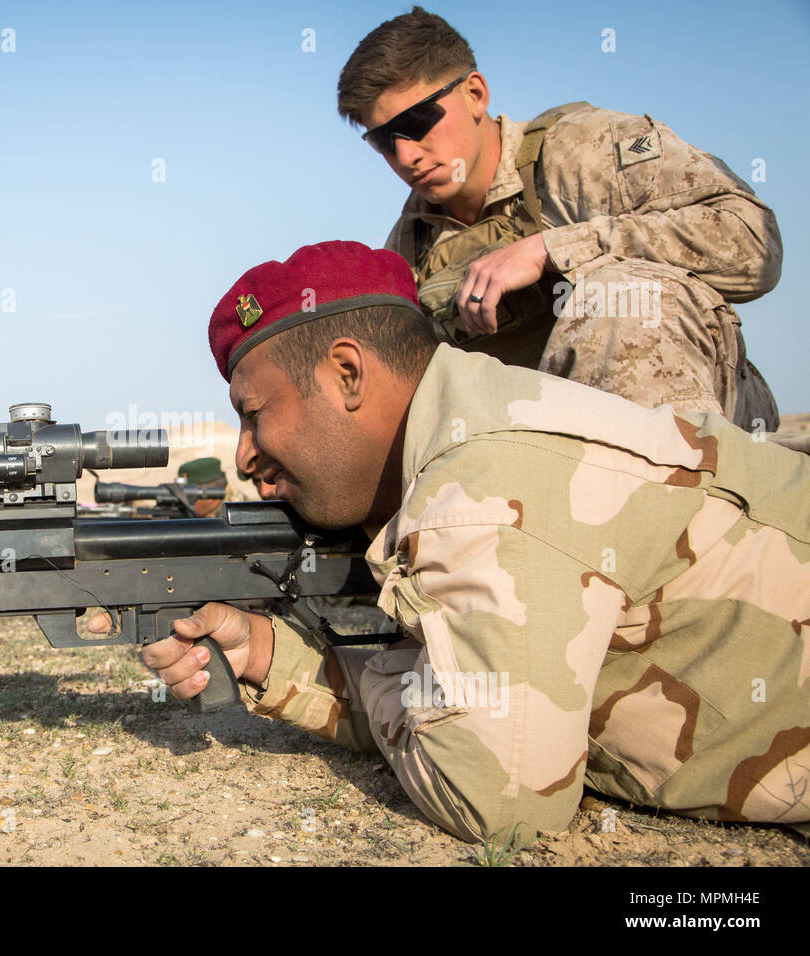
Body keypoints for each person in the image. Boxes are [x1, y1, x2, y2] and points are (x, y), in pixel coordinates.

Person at [120, 239, 809, 843]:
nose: (244, 455)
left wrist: (388, 680)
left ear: (348, 373)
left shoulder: (480, 489)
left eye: (254, 413)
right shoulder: (478, 428)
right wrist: (268, 654)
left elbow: (498, 798)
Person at [337, 7, 782, 433]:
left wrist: (551, 250)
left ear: (475, 94)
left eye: (417, 122)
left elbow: (751, 241)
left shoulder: (583, 152)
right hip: (541, 449)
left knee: (619, 295)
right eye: (383, 140)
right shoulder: (410, 245)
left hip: (704, 426)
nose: (406, 155)